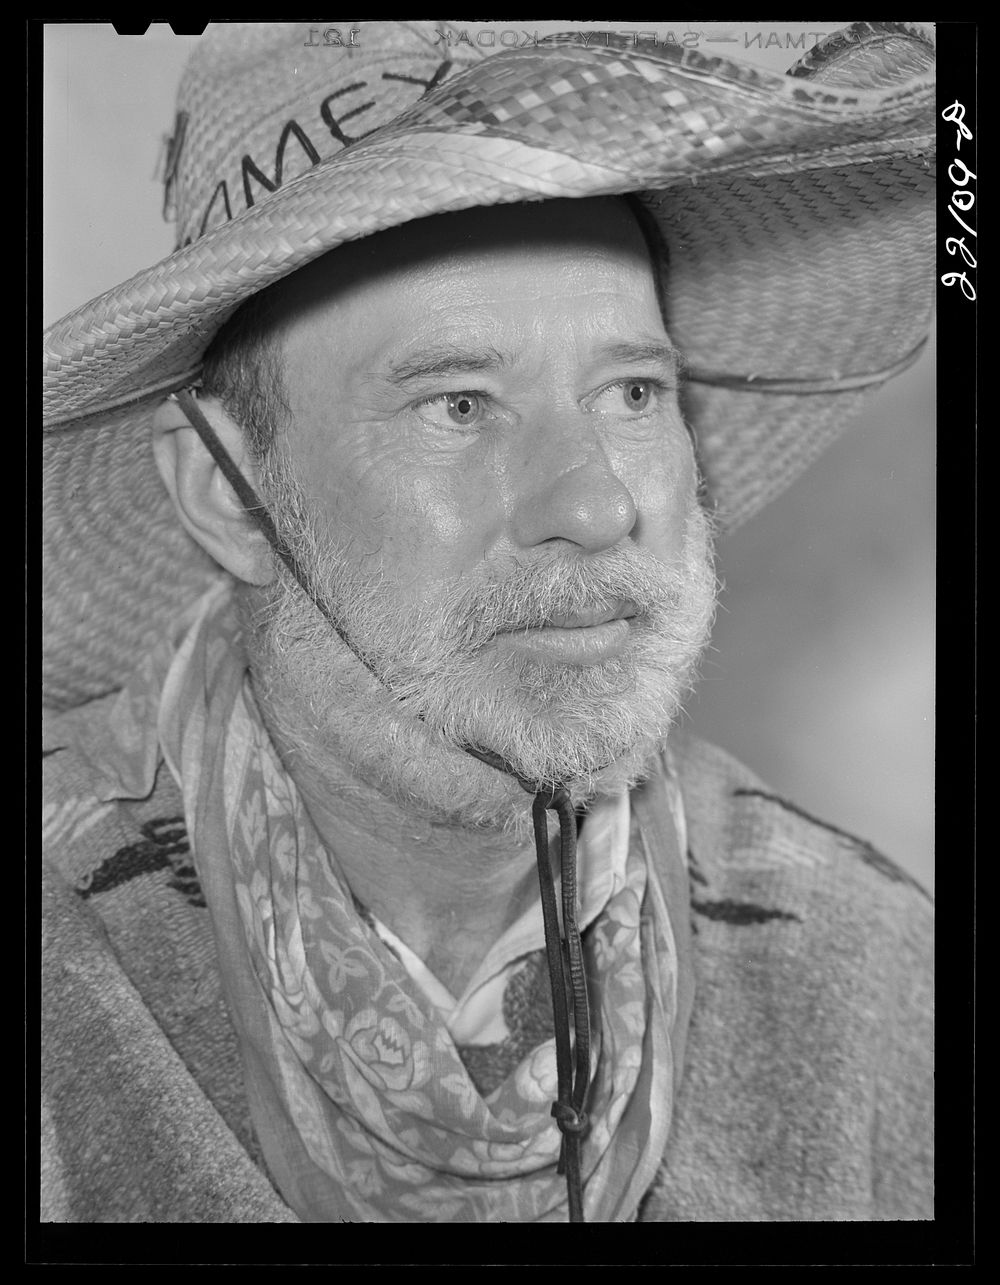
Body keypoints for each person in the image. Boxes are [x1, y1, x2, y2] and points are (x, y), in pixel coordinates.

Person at [41, 21, 935, 1224]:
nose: (598, 502)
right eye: (458, 403)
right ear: (229, 492)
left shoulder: (875, 975)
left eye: (632, 393)